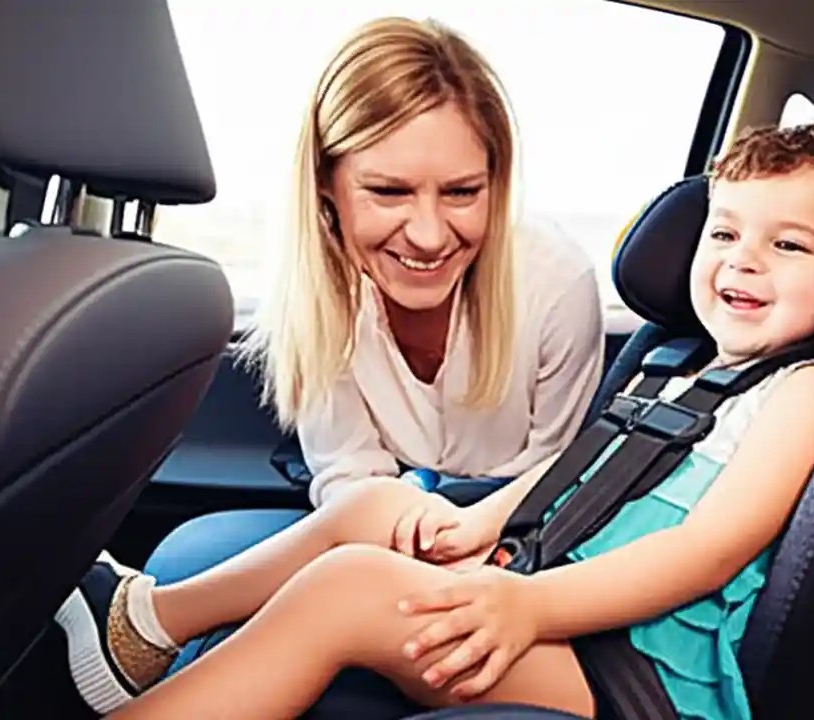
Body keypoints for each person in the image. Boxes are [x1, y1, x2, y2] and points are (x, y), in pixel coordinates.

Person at [54, 118, 814, 720]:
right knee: (379, 508)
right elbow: (580, 467)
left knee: (351, 588)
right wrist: (484, 521)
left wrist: (529, 607)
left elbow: (702, 550)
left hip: (632, 678)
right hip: (555, 593)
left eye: (790, 246)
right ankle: (149, 624)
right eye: (724, 234)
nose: (743, 260)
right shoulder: (687, 365)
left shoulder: (813, 387)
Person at [53, 13, 605, 706]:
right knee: (374, 503)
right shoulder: (317, 296)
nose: (431, 234)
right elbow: (348, 473)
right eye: (389, 191)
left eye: (463, 192)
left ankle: (149, 617)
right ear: (327, 188)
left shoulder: (553, 282)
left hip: (512, 544)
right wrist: (409, 521)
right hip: (413, 523)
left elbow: (552, 481)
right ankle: (142, 624)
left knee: (360, 553)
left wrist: (456, 535)